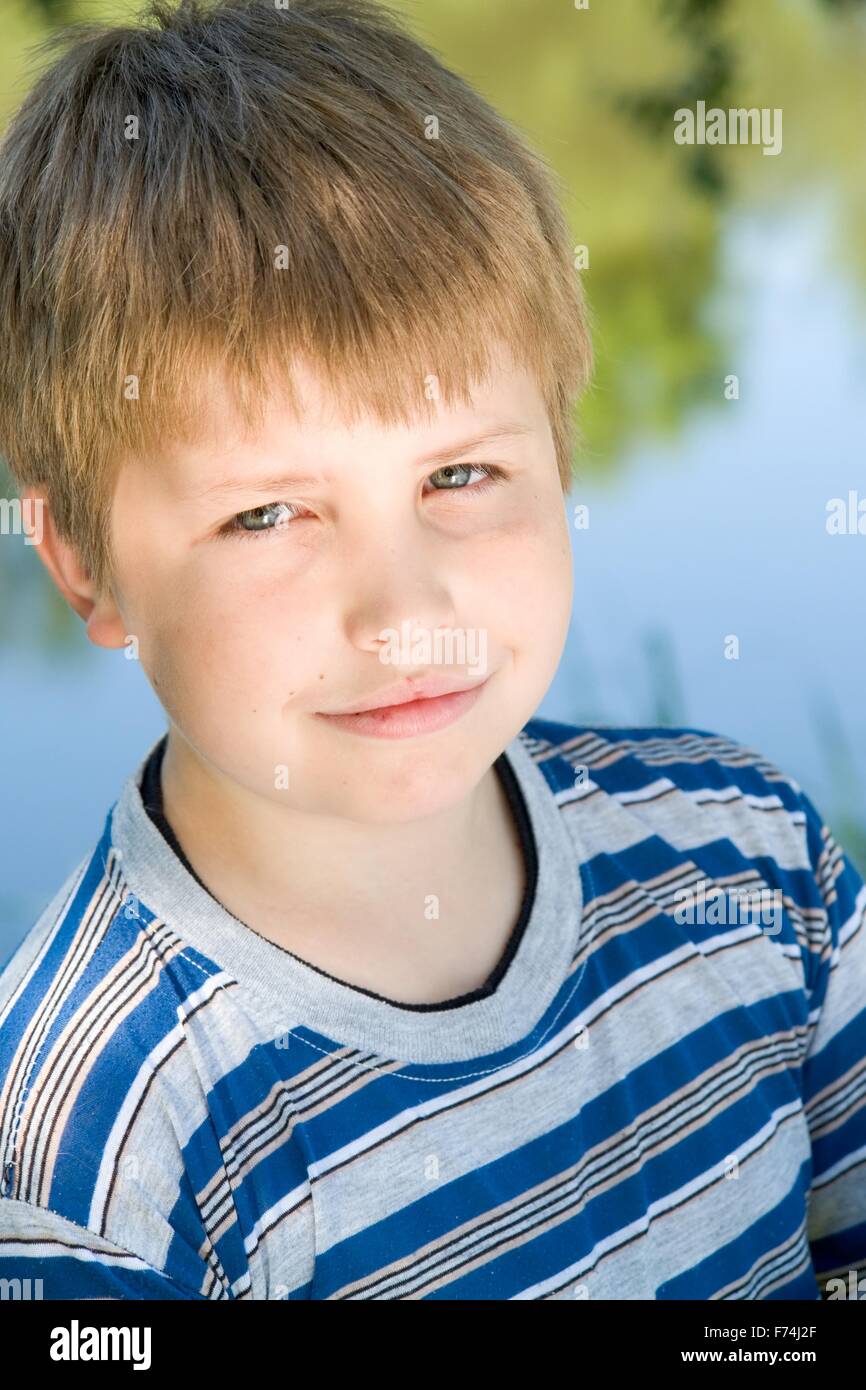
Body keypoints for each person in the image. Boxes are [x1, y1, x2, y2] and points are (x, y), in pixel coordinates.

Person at [0, 0, 863, 1301]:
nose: (400, 609)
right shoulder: (99, 1146)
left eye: (459, 472)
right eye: (266, 513)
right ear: (84, 564)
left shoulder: (745, 851)